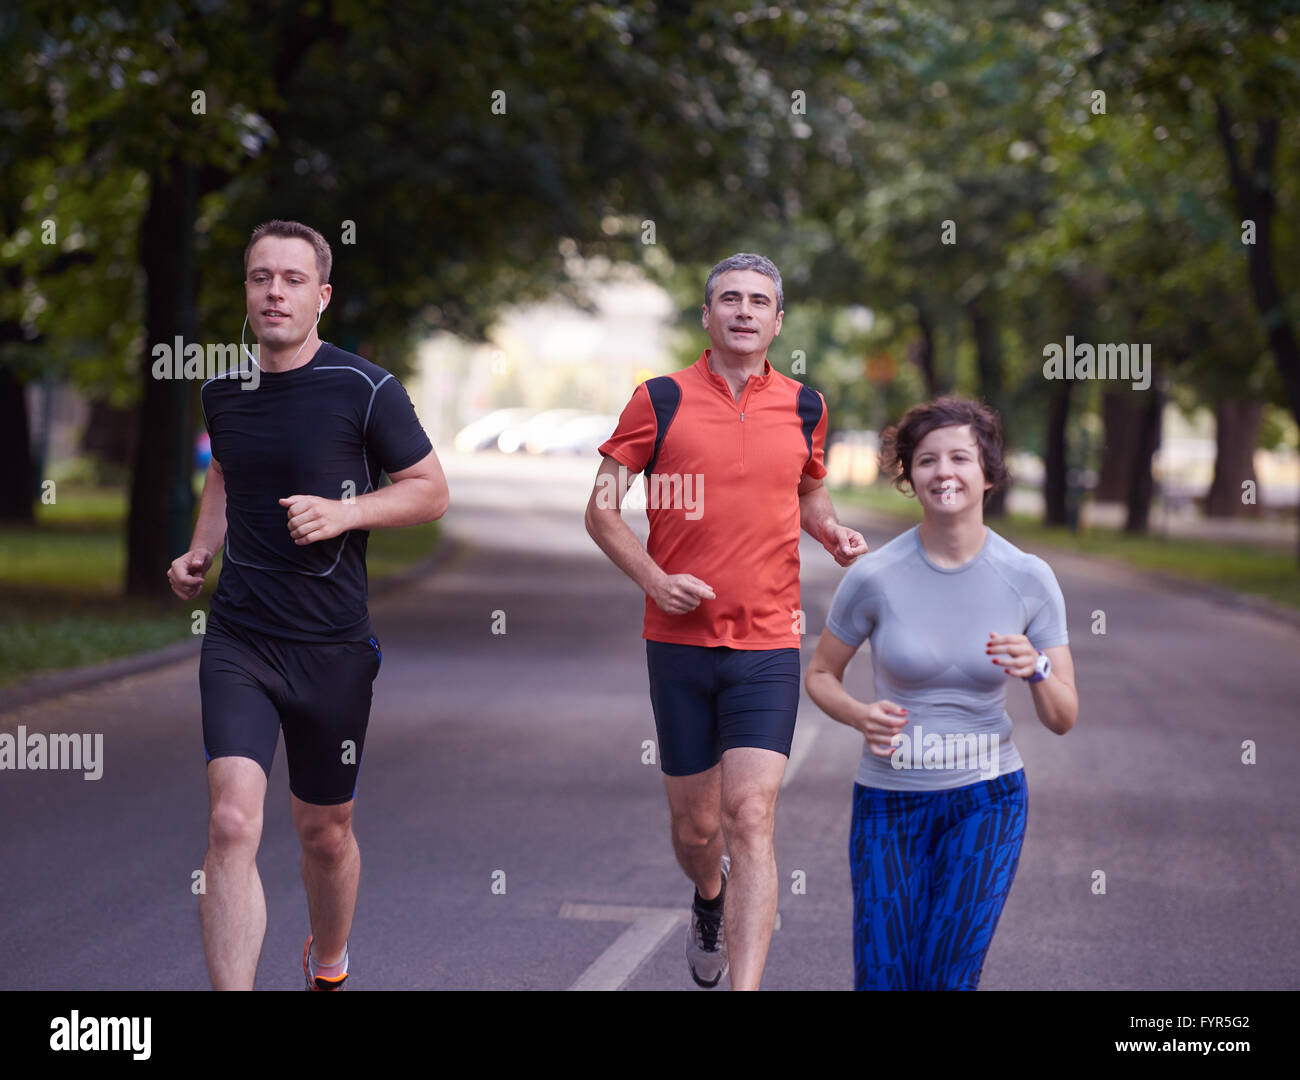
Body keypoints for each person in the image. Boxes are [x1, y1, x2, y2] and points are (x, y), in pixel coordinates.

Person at [167, 219, 449, 990]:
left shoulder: (366, 388)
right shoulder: (223, 389)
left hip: (331, 648)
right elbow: (225, 475)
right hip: (241, 638)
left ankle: (328, 966)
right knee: (231, 822)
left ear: (321, 296)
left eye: (293, 280)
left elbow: (431, 491)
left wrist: (346, 512)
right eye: (261, 277)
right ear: (246, 293)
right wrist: (202, 551)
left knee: (324, 833)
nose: (275, 292)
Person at [585, 252, 868, 990]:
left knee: (751, 815)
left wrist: (832, 533)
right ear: (706, 316)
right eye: (730, 299)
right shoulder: (659, 400)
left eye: (759, 301)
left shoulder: (806, 405)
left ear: (778, 320)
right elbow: (602, 508)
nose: (745, 311)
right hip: (677, 644)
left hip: (769, 640)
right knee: (698, 827)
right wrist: (653, 577)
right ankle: (708, 896)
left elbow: (809, 495)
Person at [805, 395, 1078, 990]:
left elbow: (1063, 716)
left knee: (947, 978)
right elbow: (820, 674)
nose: (944, 472)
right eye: (927, 461)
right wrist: (859, 714)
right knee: (883, 979)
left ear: (988, 473)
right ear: (909, 475)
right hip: (889, 802)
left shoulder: (1029, 577)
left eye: (961, 458)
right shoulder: (874, 576)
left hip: (987, 800)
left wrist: (1034, 669)